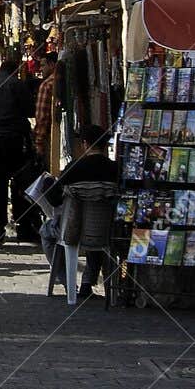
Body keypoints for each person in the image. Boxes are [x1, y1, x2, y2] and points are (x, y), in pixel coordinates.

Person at [45, 124, 119, 300]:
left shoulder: (75, 167)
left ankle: (65, 281)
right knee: (95, 235)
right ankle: (87, 284)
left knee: (46, 233)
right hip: (104, 231)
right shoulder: (115, 169)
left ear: (85, 144)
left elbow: (54, 198)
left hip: (72, 231)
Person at [0, 55, 35, 245]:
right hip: (15, 139)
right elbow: (30, 109)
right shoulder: (17, 84)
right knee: (21, 183)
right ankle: (24, 227)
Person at [33, 48, 61, 173]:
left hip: (50, 138)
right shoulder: (64, 80)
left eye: (43, 65)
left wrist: (39, 142)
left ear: (52, 65)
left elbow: (42, 117)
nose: (41, 69)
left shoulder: (47, 85)